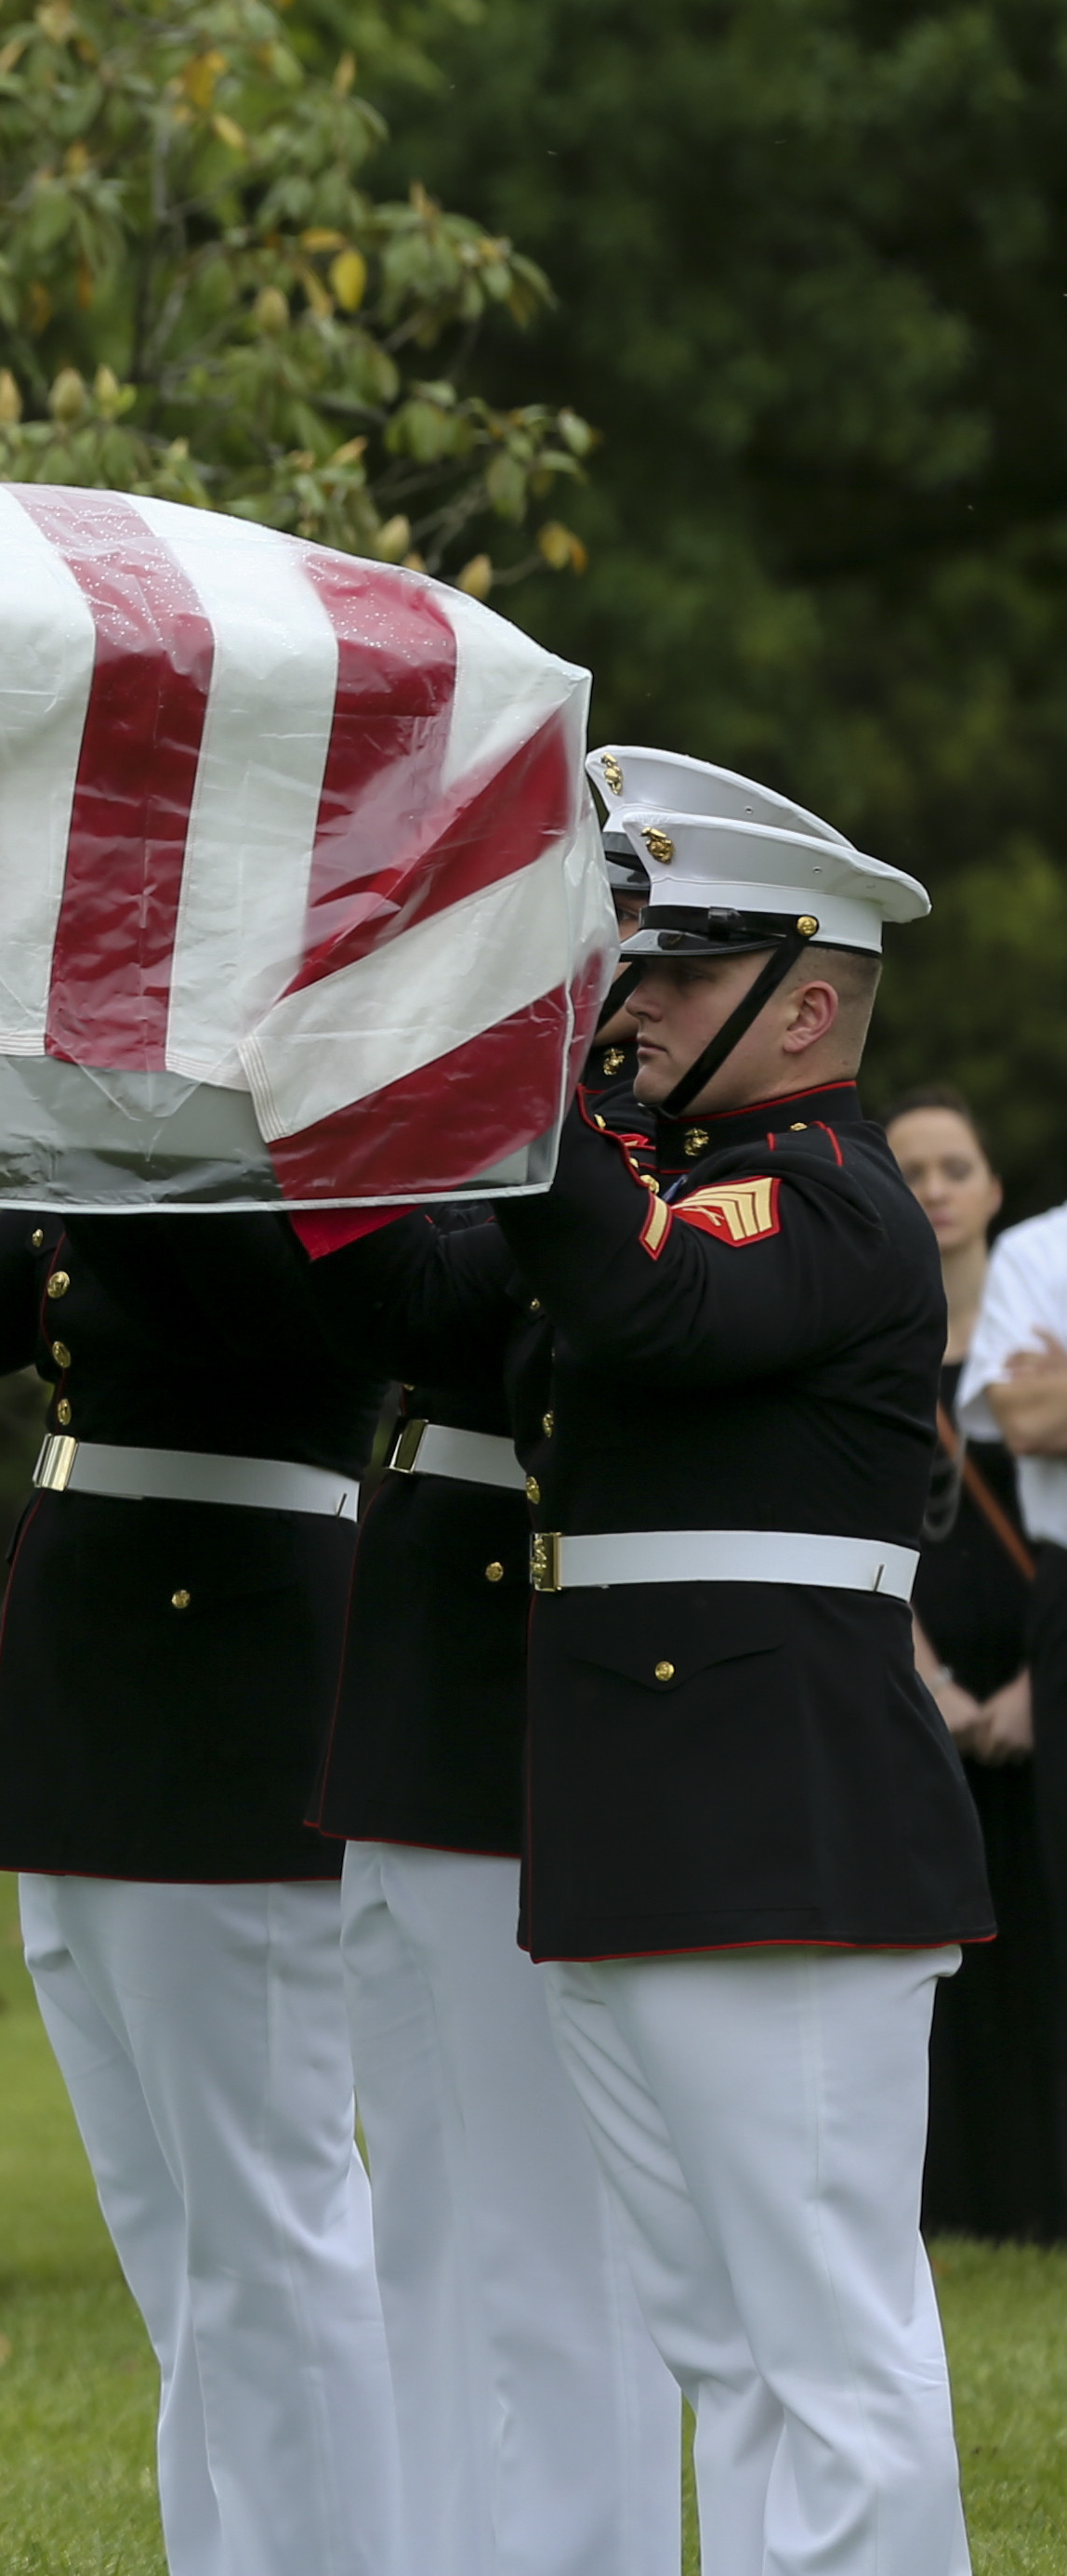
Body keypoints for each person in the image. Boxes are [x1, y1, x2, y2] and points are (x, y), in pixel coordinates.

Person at [314, 759, 983, 2573]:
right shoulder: (656, 1180)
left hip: (772, 1828)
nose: (626, 1000)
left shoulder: (825, 1191)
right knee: (719, 2343)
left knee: (819, 2341)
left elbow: (654, 1298)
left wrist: (512, 1067)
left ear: (810, 1000)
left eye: (676, 971)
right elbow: (452, 1290)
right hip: (641, 1821)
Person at [0, 1179, 399, 2576]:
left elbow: (259, 1302)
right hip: (94, 1704)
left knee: (263, 2230)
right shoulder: (132, 1151)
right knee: (181, 2247)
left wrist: (111, 1125)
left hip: (226, 1701)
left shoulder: (314, 1157)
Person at [286, 775, 681, 2576]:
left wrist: (351, 1081)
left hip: (523, 1706)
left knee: (551, 2229)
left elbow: (438, 1302)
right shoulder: (512, 1123)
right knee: (430, 2210)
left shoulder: (628, 1151)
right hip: (419, 1694)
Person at [897, 1087, 1063, 2241]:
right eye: (908, 1171)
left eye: (954, 1166)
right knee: (942, 1954)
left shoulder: (1028, 1289)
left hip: (1037, 1679)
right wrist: (937, 1687)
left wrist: (1030, 1689)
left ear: (992, 1186)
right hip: (919, 1696)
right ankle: (956, 2199)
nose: (934, 1190)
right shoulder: (864, 1344)